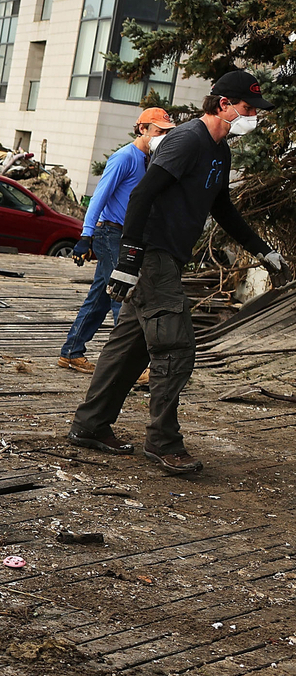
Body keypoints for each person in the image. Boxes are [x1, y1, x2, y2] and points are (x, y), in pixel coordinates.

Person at [68, 70, 287, 474]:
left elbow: (222, 208)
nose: (253, 115)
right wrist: (130, 260)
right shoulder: (186, 140)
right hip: (152, 255)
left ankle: (90, 425)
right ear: (223, 104)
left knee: (130, 346)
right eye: (248, 107)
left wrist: (264, 251)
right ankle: (163, 442)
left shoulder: (221, 151)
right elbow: (141, 194)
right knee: (175, 346)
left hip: (167, 257)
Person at [58, 107, 175, 373]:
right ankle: (129, 365)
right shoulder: (124, 158)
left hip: (127, 235)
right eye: (158, 131)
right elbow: (99, 196)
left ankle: (71, 352)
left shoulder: (150, 160)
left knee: (101, 296)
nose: (163, 137)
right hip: (110, 233)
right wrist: (85, 236)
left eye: (166, 132)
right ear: (142, 129)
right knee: (122, 295)